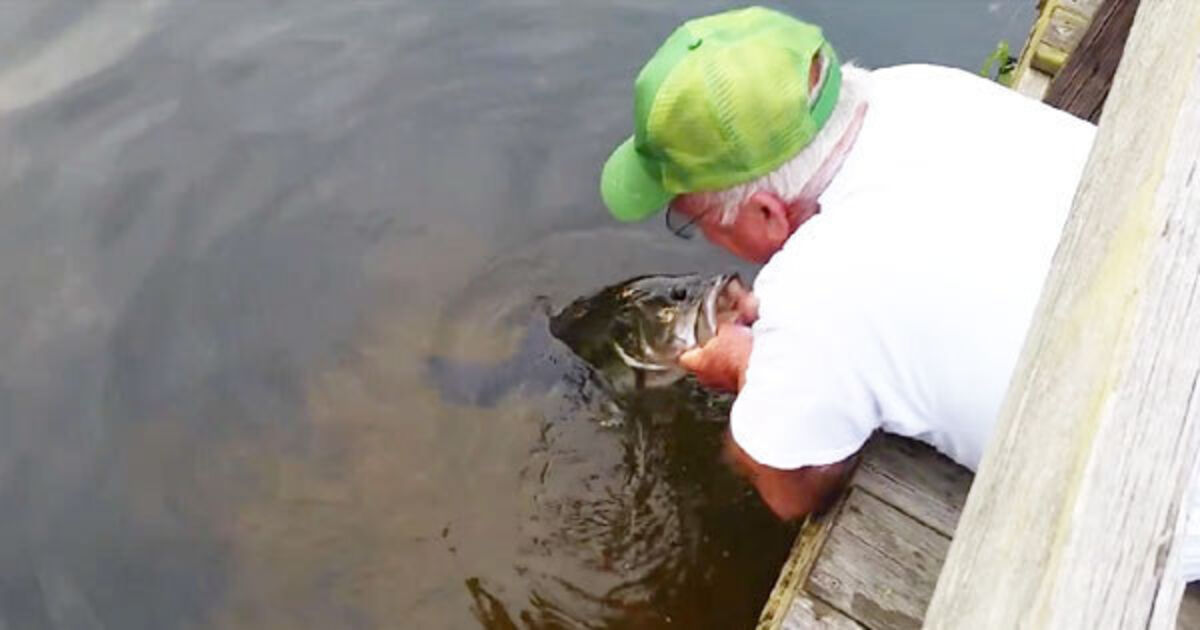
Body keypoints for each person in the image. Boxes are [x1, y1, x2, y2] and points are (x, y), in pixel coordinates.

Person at [598, 6, 1200, 579]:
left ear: (764, 212)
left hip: (1169, 519)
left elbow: (788, 486)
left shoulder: (816, 292)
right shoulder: (922, 88)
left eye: (693, 217)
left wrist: (742, 365)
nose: (703, 237)